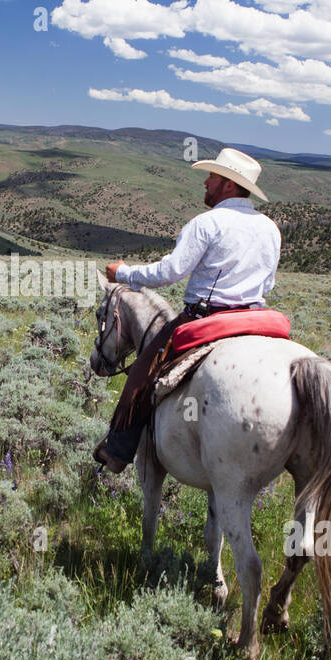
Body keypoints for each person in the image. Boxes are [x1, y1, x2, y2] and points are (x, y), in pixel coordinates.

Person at [93, 147, 281, 473]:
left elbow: (170, 272)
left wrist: (123, 273)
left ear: (226, 184)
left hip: (206, 318)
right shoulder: (270, 228)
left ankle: (117, 451)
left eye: (211, 177)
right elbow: (267, 286)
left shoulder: (206, 223)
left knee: (139, 375)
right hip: (255, 319)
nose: (205, 183)